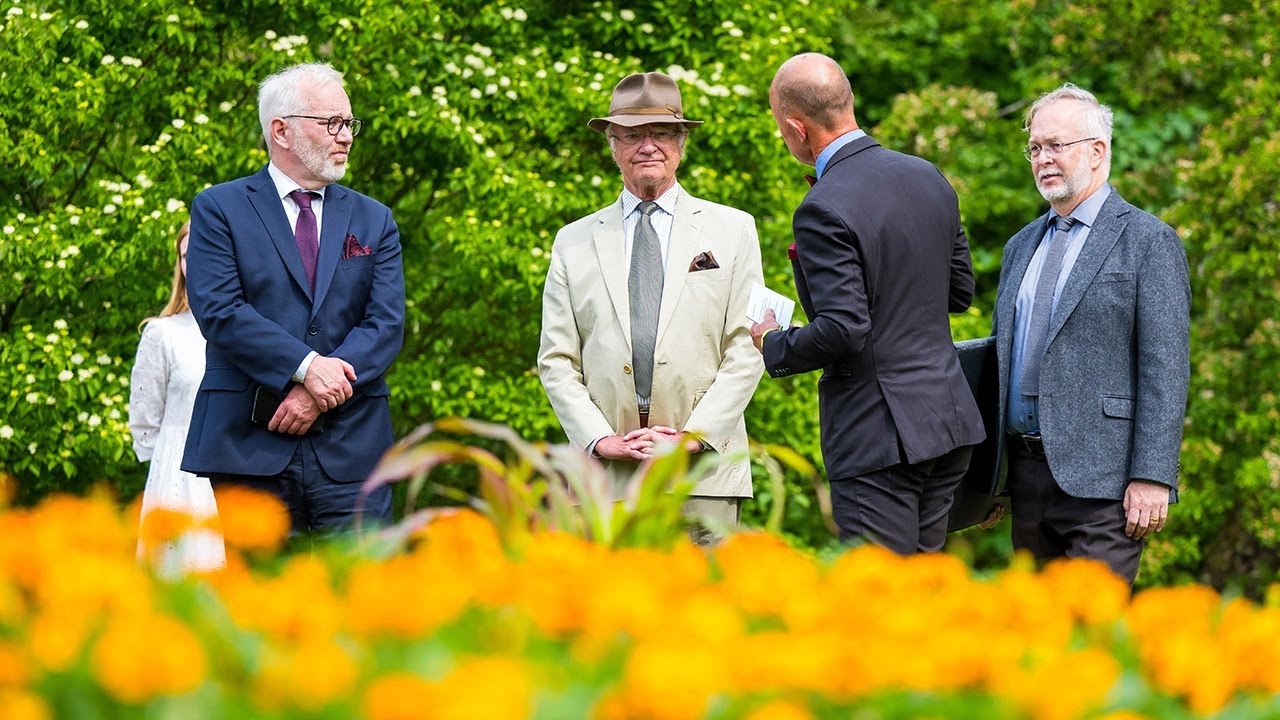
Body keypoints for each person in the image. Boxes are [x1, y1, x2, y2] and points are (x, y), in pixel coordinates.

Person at [750, 53, 985, 554]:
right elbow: (960, 292)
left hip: (879, 436)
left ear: (797, 128)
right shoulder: (929, 177)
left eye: (780, 128)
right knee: (924, 596)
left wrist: (774, 341)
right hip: (948, 423)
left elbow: (843, 330)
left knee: (877, 605)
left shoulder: (822, 207)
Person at [537, 71, 765, 544]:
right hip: (603, 479)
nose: (648, 146)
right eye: (632, 135)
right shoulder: (573, 241)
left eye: (661, 132)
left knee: (702, 614)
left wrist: (692, 438)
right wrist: (600, 440)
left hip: (702, 475)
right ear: (613, 145)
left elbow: (747, 348)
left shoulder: (734, 229)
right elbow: (556, 360)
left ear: (682, 142)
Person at [182, 63, 405, 534]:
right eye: (332, 123)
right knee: (259, 604)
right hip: (249, 443)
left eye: (349, 124)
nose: (345, 136)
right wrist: (306, 367)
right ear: (281, 130)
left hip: (354, 449)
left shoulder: (375, 218)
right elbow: (221, 310)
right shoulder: (218, 208)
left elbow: (385, 324)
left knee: (366, 600)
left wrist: (319, 392)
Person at [990, 84, 1190, 584]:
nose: (1042, 159)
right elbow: (1001, 357)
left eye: (1056, 145)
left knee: (1095, 644)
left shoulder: (1150, 241)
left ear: (1097, 151)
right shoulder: (1020, 246)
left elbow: (1165, 367)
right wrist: (988, 476)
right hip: (1025, 474)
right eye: (1035, 148)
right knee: (1035, 645)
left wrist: (1153, 475)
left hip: (1106, 483)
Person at [129, 221, 227, 579]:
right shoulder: (162, 334)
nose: (195, 263)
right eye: (187, 256)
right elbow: (144, 421)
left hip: (235, 468)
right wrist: (168, 474)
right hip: (176, 476)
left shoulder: (245, 329)